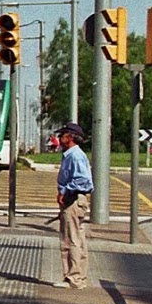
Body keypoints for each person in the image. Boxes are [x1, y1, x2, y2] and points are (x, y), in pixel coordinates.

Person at [54, 121, 93, 288]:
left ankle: (73, 278)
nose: (59, 138)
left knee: (70, 239)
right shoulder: (73, 154)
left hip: (73, 200)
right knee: (78, 239)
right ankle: (79, 277)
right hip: (76, 199)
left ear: (70, 137)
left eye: (62, 135)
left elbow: (83, 180)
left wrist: (65, 191)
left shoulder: (74, 156)